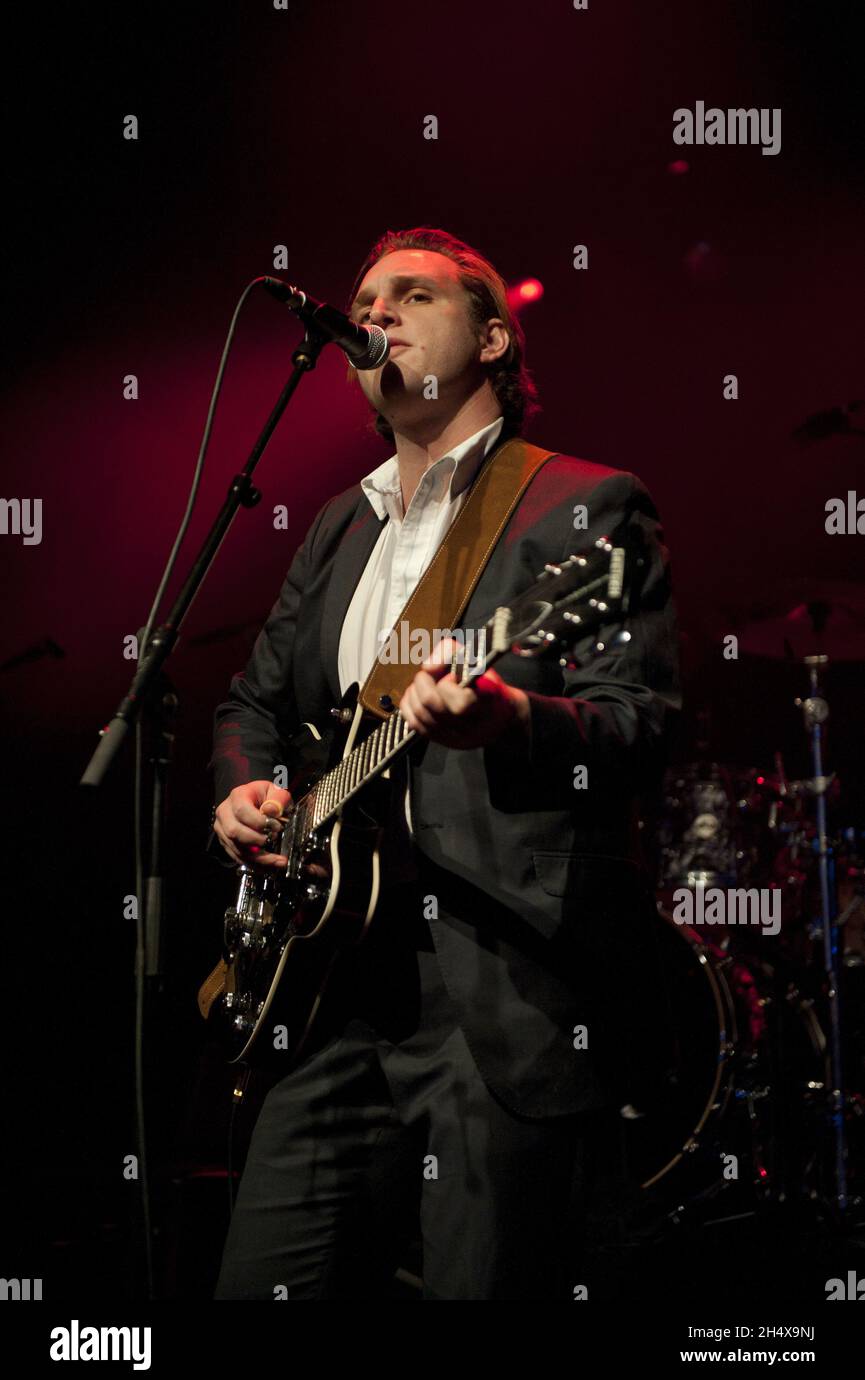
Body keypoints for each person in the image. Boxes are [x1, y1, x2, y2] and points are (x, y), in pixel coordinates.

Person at [208, 226, 681, 1300]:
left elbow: (641, 722)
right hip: (324, 986)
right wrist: (241, 790)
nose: (372, 315)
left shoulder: (581, 506)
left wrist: (510, 720)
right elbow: (249, 703)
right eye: (364, 301)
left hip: (487, 995)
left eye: (411, 296)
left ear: (494, 338)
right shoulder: (337, 526)